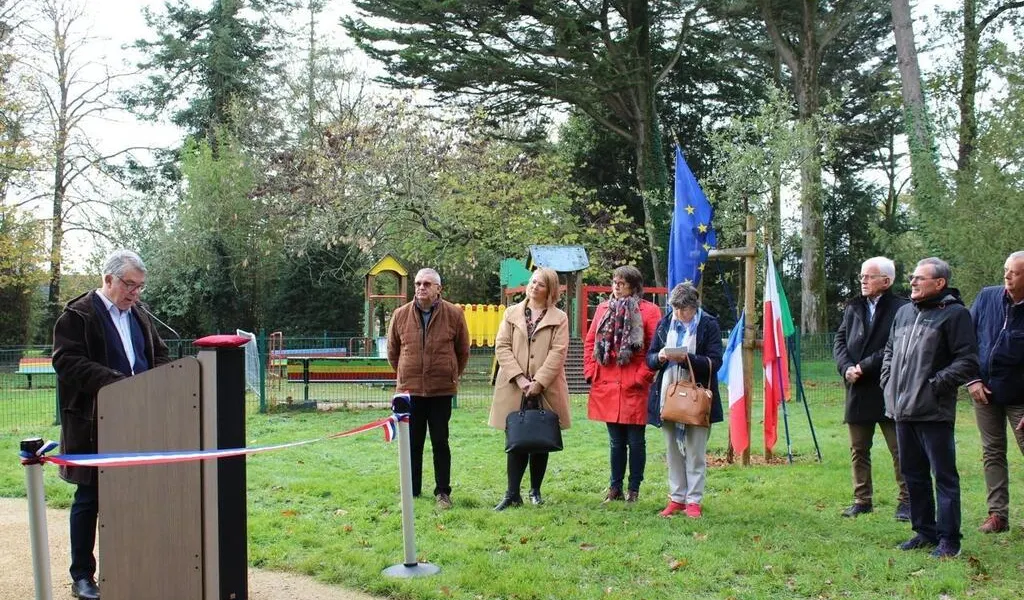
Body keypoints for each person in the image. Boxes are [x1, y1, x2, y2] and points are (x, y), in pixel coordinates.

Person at [52, 249, 172, 600]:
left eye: (140, 286)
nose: (136, 293)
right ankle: (82, 576)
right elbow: (66, 361)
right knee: (89, 498)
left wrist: (161, 383)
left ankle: (132, 566)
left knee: (136, 496)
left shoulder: (140, 314)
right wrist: (118, 384)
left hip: (139, 419)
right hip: (93, 423)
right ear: (108, 279)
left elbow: (159, 354)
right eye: (130, 285)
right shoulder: (77, 315)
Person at [881, 257, 979, 559]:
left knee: (944, 477)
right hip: (902, 410)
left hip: (933, 412)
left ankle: (950, 540)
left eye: (919, 278)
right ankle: (924, 531)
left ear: (939, 283)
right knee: (913, 474)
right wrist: (887, 381)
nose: (912, 281)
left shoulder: (955, 315)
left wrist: (935, 385)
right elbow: (889, 350)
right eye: (912, 277)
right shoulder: (904, 312)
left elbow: (967, 361)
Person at [833, 257, 911, 520]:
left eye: (869, 276)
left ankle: (907, 501)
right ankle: (862, 500)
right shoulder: (853, 307)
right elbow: (840, 340)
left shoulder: (903, 308)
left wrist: (863, 366)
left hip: (887, 387)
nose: (863, 281)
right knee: (858, 449)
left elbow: (896, 344)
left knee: (900, 449)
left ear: (886, 281)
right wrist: (846, 368)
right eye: (862, 276)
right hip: (857, 388)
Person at [489, 267, 572, 510]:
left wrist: (539, 382)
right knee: (515, 438)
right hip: (514, 387)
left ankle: (535, 490)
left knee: (540, 437)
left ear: (550, 289)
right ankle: (512, 494)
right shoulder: (511, 313)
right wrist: (520, 378)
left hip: (546, 387)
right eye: (533, 282)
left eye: (541, 284)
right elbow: (502, 346)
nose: (534, 287)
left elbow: (558, 352)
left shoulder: (559, 318)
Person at [387, 267, 470, 509]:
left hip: (441, 391)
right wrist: (406, 374)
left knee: (440, 442)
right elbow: (393, 351)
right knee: (412, 443)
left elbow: (463, 351)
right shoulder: (400, 315)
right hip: (410, 392)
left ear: (438, 289)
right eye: (418, 283)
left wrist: (450, 373)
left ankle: (443, 492)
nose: (421, 287)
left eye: (426, 284)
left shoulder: (454, 314)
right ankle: (412, 491)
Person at [584, 265, 662, 503]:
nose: (616, 287)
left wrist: (642, 377)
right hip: (607, 382)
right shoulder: (603, 308)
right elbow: (590, 342)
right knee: (616, 441)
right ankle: (615, 488)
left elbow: (655, 348)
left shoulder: (649, 311)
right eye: (614, 282)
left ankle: (634, 489)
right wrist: (591, 372)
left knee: (636, 441)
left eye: (622, 283)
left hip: (634, 385)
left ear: (634, 286)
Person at [645, 283, 722, 519]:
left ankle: (694, 501)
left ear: (694, 307)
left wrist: (687, 359)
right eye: (675, 309)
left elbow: (715, 362)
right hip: (668, 397)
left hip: (697, 398)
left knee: (695, 451)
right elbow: (649, 359)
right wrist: (660, 357)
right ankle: (677, 498)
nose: (678, 314)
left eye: (684, 309)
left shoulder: (709, 324)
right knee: (672, 450)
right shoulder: (665, 322)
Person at [967, 250, 1024, 534]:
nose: (1007, 276)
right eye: (1005, 270)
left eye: (1014, 272)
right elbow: (965, 340)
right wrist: (972, 380)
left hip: (1020, 398)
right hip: (985, 391)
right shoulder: (987, 297)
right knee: (992, 453)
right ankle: (997, 515)